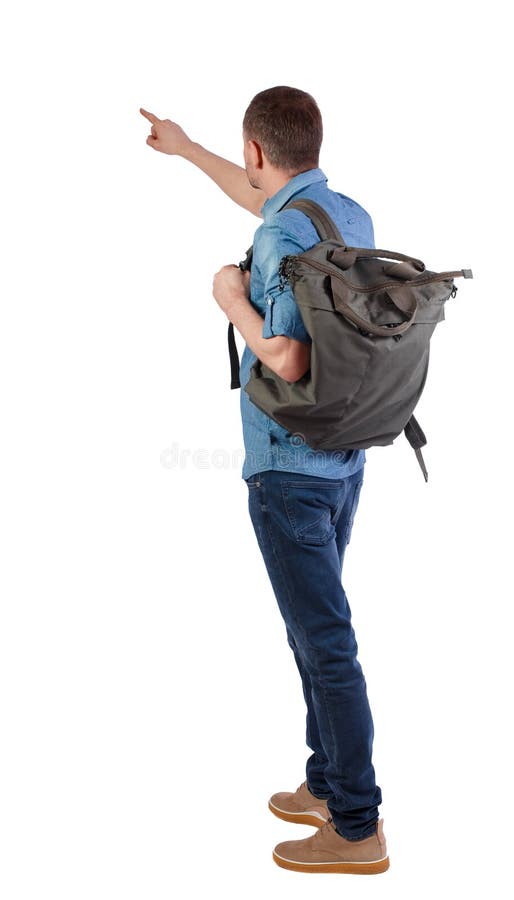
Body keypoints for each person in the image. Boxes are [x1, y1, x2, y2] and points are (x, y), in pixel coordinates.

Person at [140, 86, 389, 875]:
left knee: (327, 645)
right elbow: (260, 198)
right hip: (344, 458)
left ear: (257, 150)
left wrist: (229, 298)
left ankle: (357, 826)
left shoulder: (283, 234)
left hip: (286, 470)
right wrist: (183, 149)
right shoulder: (344, 214)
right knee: (314, 634)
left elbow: (285, 358)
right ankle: (326, 781)